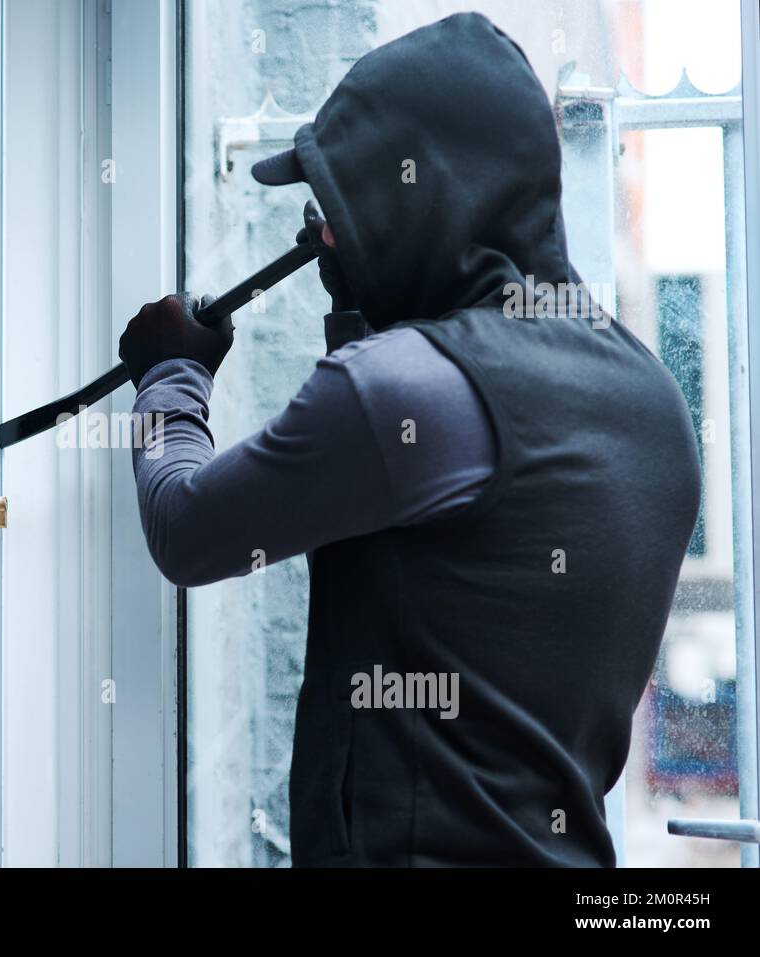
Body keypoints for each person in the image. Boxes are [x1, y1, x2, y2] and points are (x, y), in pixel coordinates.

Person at [116, 12, 701, 866]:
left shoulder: (406, 390)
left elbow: (188, 526)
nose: (321, 233)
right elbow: (464, 558)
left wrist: (170, 375)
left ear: (417, 195)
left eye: (340, 207)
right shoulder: (650, 400)